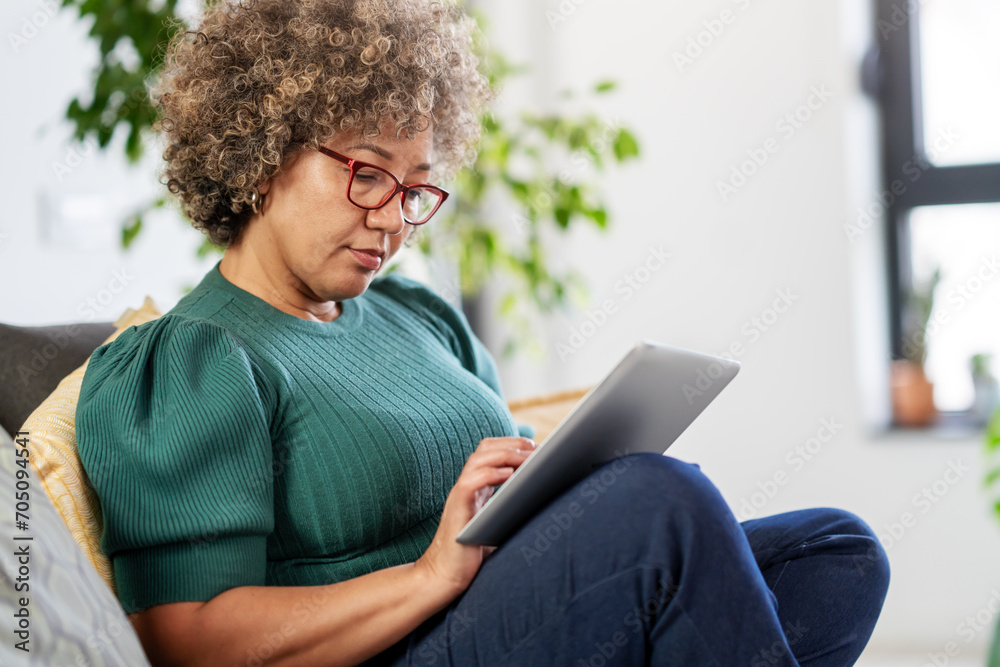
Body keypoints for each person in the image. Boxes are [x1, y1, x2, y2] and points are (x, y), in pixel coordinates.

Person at [75, 0, 891, 665]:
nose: (393, 219)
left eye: (417, 188)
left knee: (836, 551)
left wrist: (566, 485)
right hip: (396, 647)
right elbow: (193, 641)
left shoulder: (416, 314)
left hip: (501, 613)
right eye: (366, 173)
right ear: (258, 155)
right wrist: (431, 575)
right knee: (665, 509)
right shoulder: (189, 360)